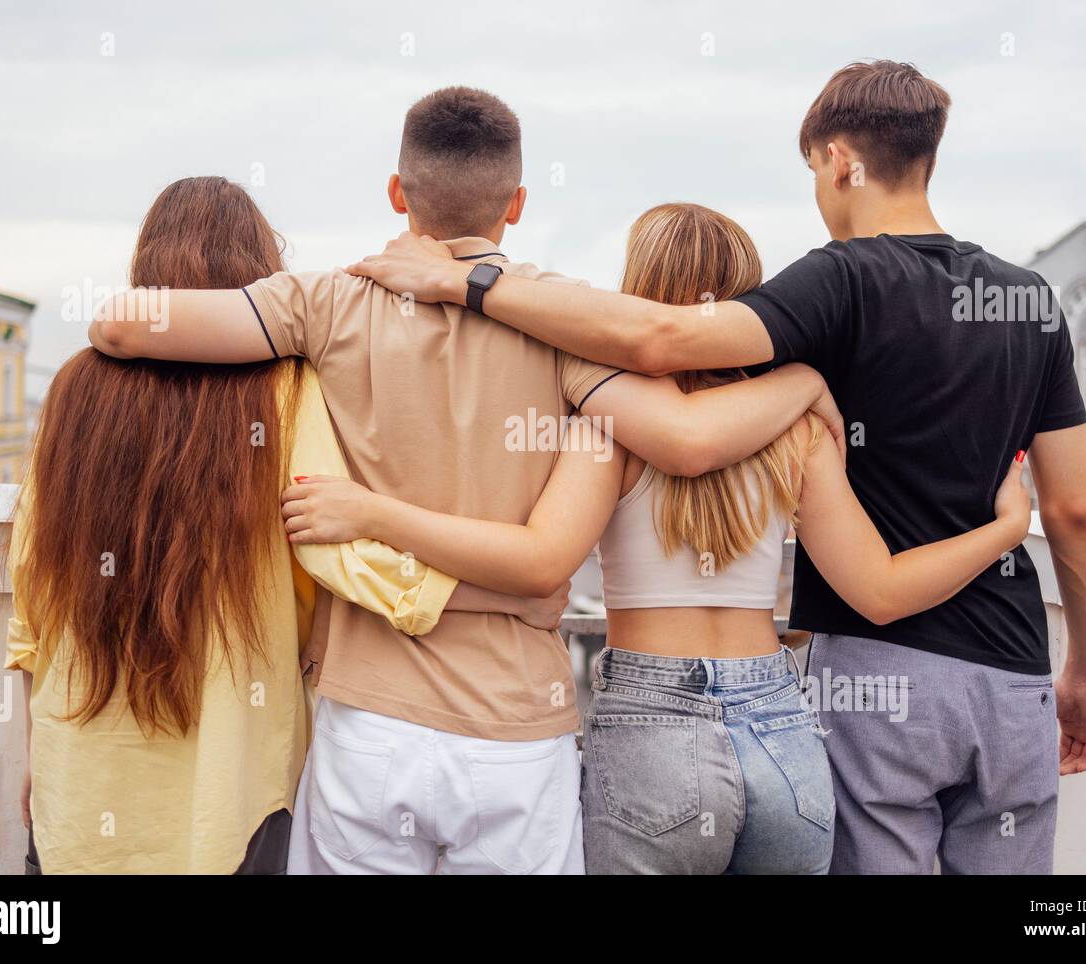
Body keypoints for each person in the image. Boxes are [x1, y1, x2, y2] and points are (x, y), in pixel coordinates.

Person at [345, 62, 1086, 875]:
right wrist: (1027, 567)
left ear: (840, 160)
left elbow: (551, 556)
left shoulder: (628, 410)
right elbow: (1039, 526)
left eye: (815, 166)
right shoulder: (832, 409)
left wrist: (465, 284)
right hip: (850, 716)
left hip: (696, 715)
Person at [88, 88, 845, 875]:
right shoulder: (562, 323)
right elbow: (686, 440)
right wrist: (802, 387)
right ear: (515, 203)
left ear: (396, 193)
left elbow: (120, 324)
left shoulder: (324, 301)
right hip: (517, 733)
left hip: (368, 721)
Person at [285, 200, 1032, 875]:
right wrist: (1004, 528)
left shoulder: (609, 420)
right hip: (781, 732)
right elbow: (880, 592)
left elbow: (543, 561)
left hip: (654, 727)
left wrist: (376, 520)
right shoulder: (796, 426)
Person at [8, 176, 563, 874]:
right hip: (231, 784)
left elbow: (33, 596)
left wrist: (34, 751)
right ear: (257, 274)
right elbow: (346, 556)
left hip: (80, 778)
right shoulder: (285, 391)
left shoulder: (73, 389)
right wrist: (507, 594)